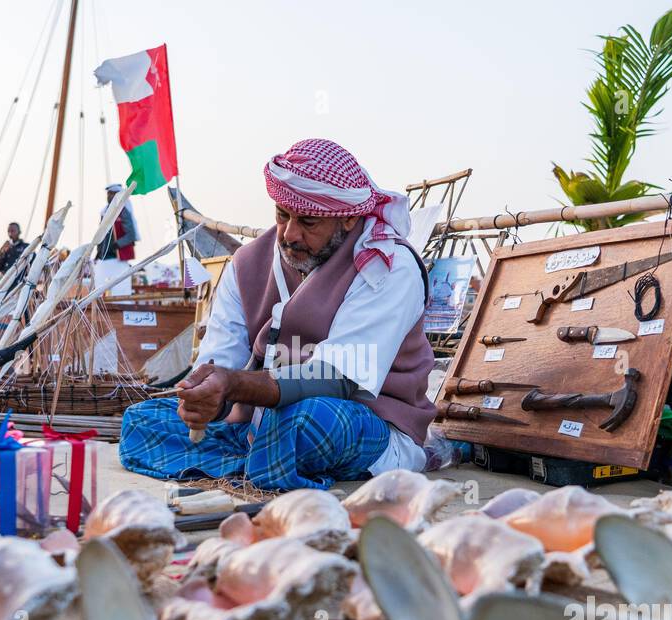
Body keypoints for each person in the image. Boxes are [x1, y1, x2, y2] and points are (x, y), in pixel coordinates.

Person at [119, 138, 435, 491]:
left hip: (364, 421)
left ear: (347, 219)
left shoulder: (388, 265)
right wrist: (206, 398)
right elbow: (218, 360)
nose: (289, 234)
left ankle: (253, 462)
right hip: (253, 424)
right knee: (139, 422)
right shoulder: (247, 263)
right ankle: (261, 465)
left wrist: (234, 384)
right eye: (282, 215)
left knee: (306, 423)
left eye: (308, 222)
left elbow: (338, 377)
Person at [94, 183, 138, 262]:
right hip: (104, 257)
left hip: (118, 257)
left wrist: (116, 244)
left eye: (111, 193)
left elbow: (131, 235)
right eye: (108, 193)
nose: (108, 196)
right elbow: (101, 234)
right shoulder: (104, 212)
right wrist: (99, 251)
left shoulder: (123, 211)